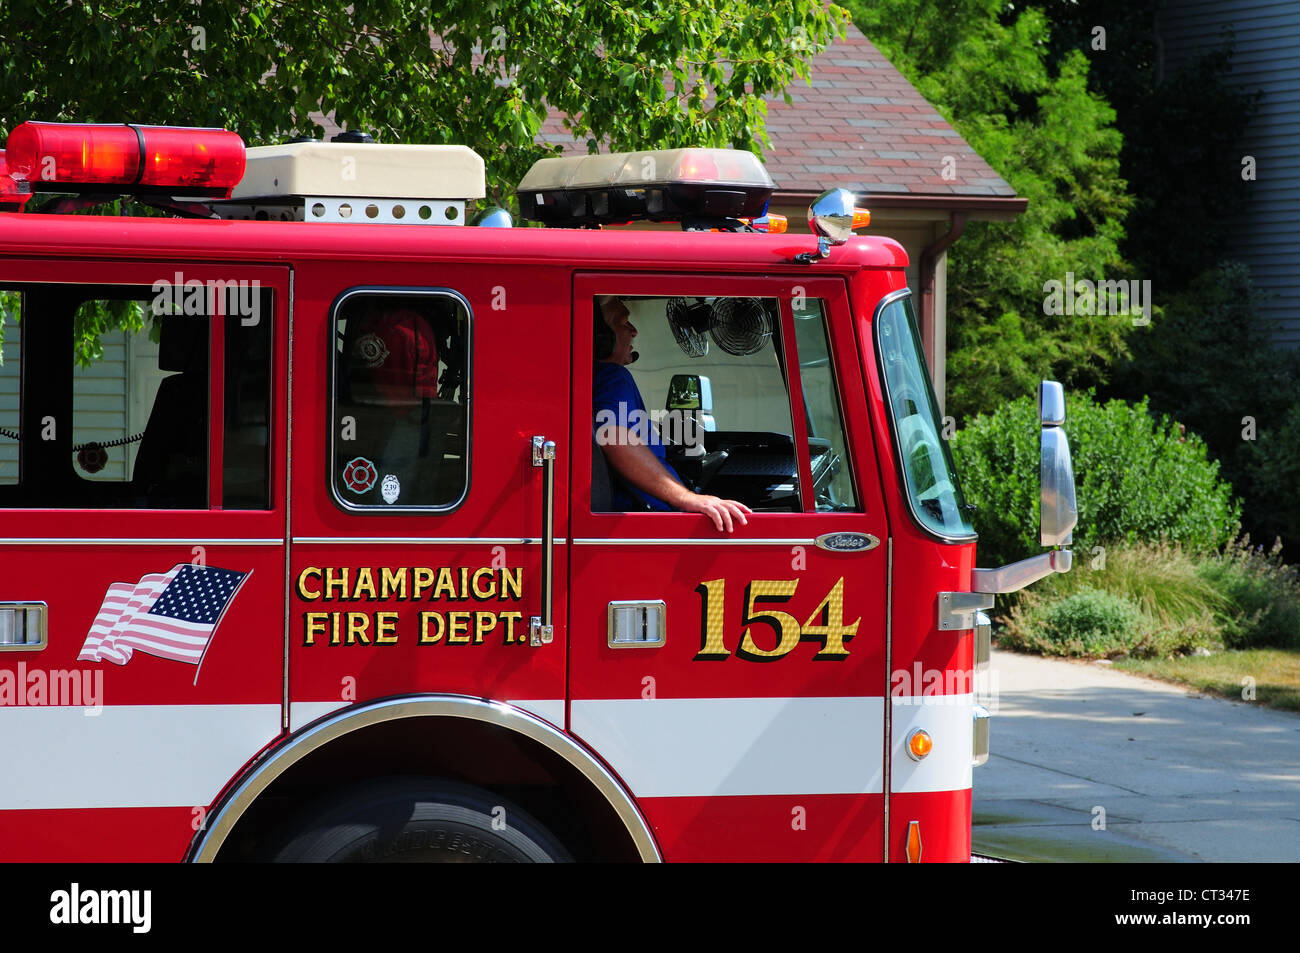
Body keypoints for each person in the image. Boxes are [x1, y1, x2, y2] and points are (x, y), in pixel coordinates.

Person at [593, 295, 751, 532]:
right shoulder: (612, 377)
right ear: (601, 339)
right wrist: (687, 499)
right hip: (649, 523)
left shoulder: (596, 380)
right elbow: (615, 437)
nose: (634, 331)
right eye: (624, 323)